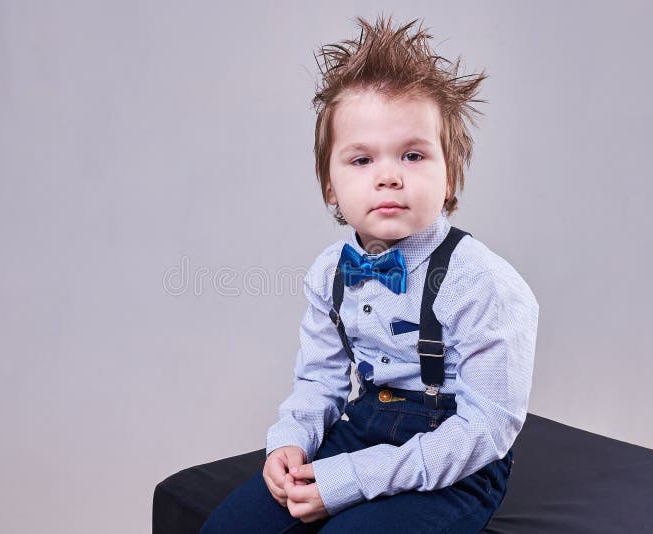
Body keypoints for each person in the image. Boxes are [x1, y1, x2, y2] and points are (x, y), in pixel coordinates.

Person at [201, 14, 539, 533]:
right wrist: (289, 441)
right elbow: (320, 380)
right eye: (361, 160)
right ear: (330, 187)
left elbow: (486, 429)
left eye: (413, 155)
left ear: (450, 175)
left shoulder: (482, 282)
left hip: (456, 459)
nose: (388, 176)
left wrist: (351, 480)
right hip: (364, 427)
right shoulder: (329, 273)